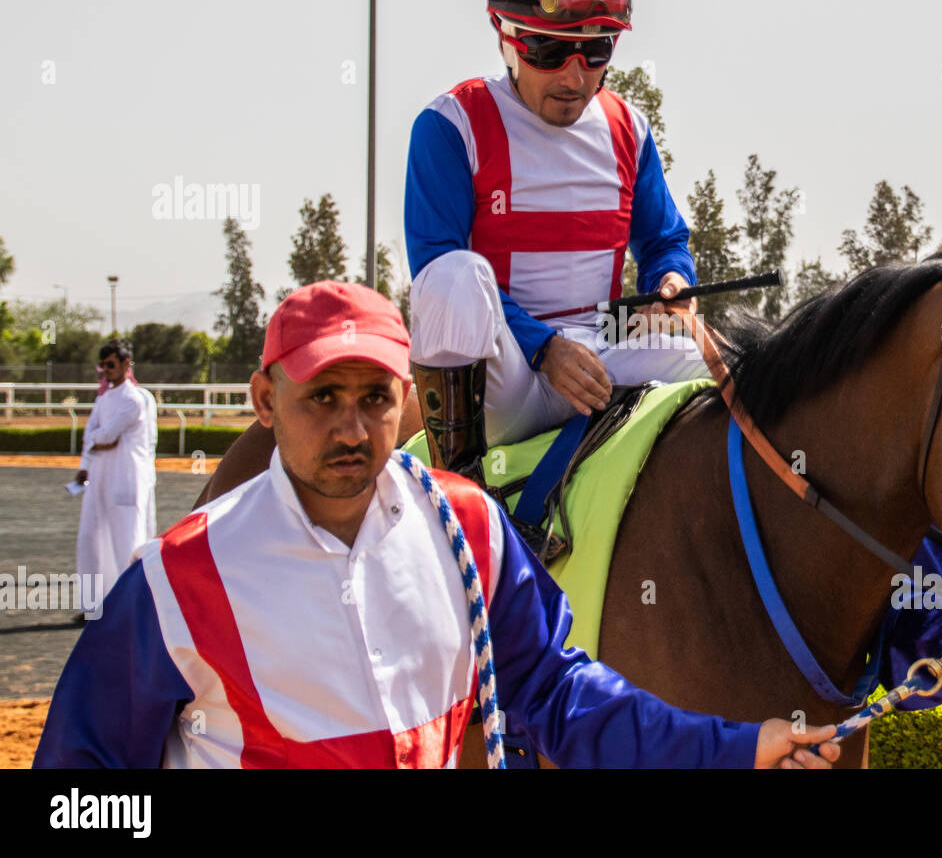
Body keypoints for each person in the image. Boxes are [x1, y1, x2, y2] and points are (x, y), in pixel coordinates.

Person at [35, 282, 840, 769]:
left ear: (408, 399)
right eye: (322, 397)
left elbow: (561, 698)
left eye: (376, 398)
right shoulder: (175, 580)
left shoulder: (471, 532)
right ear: (263, 401)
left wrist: (733, 749)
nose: (352, 430)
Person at [404, 0, 710, 478]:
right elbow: (435, 267)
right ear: (506, 36)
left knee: (730, 366)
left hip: (601, 352)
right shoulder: (450, 126)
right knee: (455, 273)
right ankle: (461, 483)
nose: (574, 76)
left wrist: (669, 284)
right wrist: (544, 348)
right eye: (550, 51)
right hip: (504, 377)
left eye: (596, 52)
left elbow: (665, 241)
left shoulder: (629, 129)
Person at [73, 339, 156, 617]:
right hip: (99, 479)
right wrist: (94, 449)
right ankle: (93, 606)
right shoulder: (104, 398)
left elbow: (106, 435)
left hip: (126, 480)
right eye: (103, 366)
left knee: (127, 544)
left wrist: (99, 439)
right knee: (91, 538)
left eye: (111, 365)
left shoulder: (134, 399)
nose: (106, 371)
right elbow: (93, 435)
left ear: (126, 364)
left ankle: (131, 609)